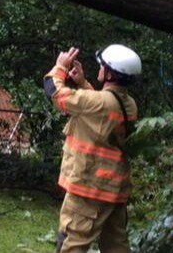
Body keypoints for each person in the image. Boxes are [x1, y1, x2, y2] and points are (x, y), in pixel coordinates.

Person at [44, 45, 141, 253]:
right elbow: (101, 111)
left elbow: (55, 93)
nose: (99, 68)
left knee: (72, 243)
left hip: (89, 189)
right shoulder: (130, 105)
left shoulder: (98, 102)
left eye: (102, 66)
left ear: (109, 73)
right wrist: (83, 83)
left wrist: (59, 67)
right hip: (115, 189)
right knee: (116, 246)